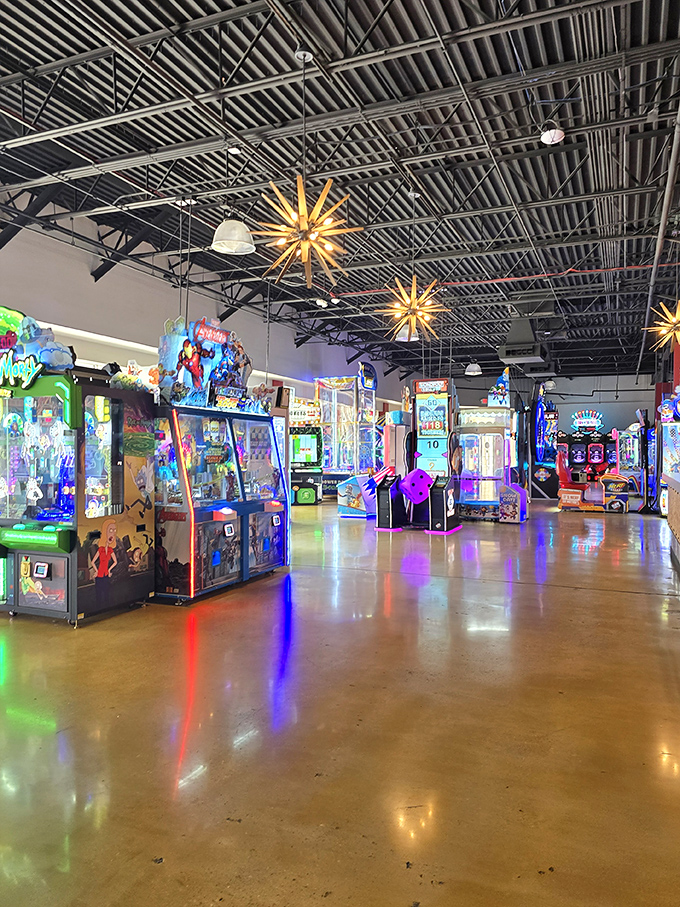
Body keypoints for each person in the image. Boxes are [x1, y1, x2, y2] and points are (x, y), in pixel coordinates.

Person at [91, 519, 118, 610]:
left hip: (106, 574)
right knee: (98, 593)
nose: (113, 533)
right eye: (110, 530)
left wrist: (109, 570)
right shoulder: (100, 549)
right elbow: (93, 562)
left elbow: (115, 562)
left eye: (114, 530)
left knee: (106, 593)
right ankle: (98, 608)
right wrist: (96, 571)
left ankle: (106, 608)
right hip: (99, 575)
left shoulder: (110, 550)